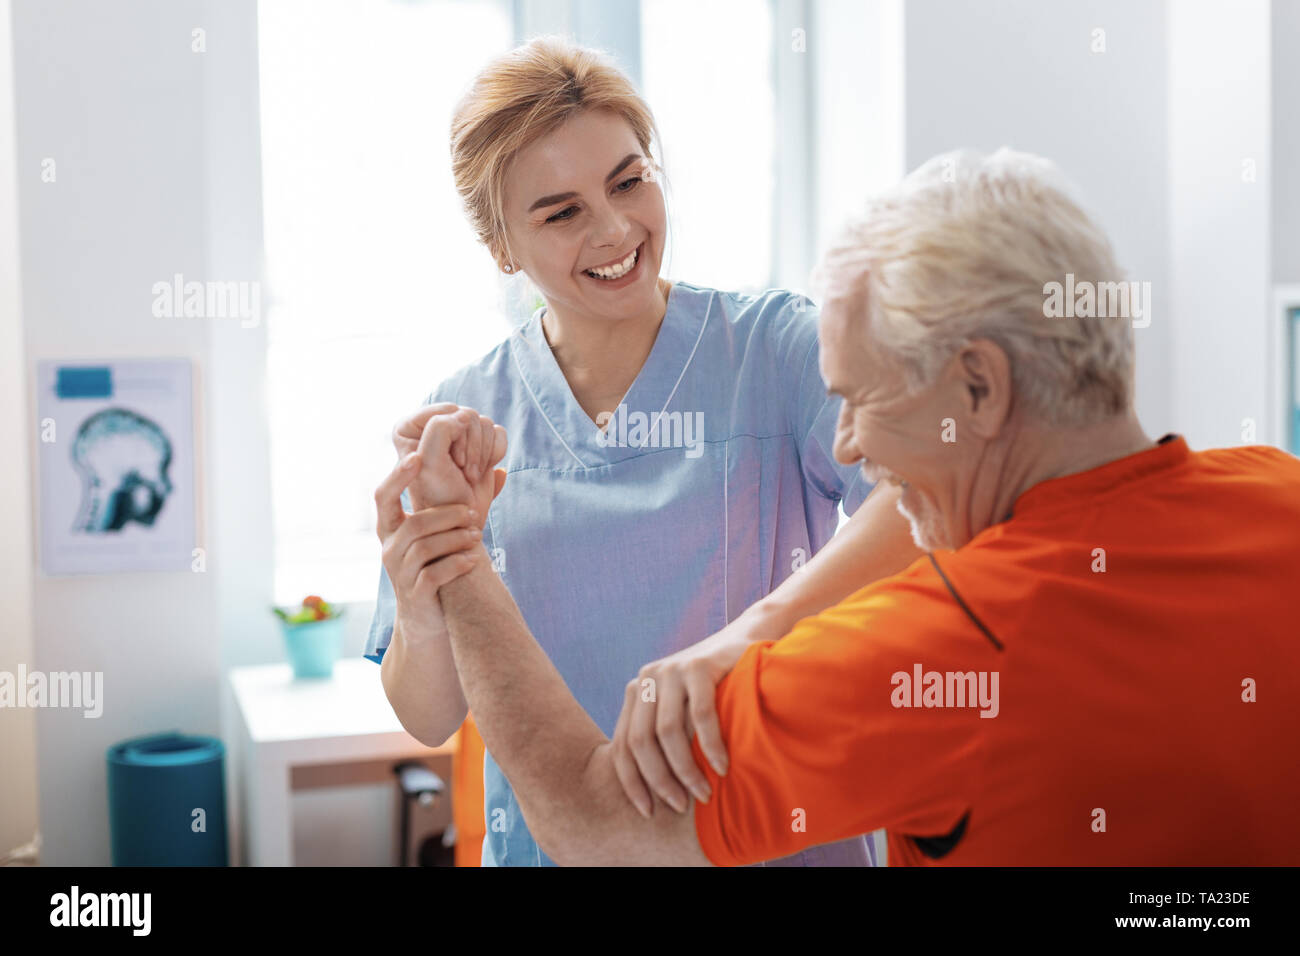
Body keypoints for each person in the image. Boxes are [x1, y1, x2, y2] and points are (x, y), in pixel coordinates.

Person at [379, 147, 1300, 865]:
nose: (849, 444)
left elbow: (594, 824)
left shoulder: (932, 647)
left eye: (861, 398)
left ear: (978, 388)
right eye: (560, 209)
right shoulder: (1279, 494)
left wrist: (458, 556)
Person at [364, 36, 922, 867]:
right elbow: (429, 716)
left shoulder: (777, 352)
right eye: (562, 212)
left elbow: (925, 506)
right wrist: (422, 597)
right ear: (502, 248)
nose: (616, 227)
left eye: (630, 180)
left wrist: (748, 639)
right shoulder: (467, 416)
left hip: (774, 837)